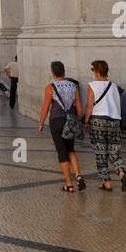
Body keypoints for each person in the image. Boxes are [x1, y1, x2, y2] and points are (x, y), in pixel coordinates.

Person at [38, 61, 85, 193]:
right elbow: (79, 106)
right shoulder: (73, 85)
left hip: (57, 121)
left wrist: (41, 123)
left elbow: (46, 107)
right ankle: (78, 175)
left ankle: (69, 184)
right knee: (71, 149)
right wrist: (79, 120)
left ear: (53, 73)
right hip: (71, 119)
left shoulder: (50, 87)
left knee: (61, 151)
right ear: (64, 71)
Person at [84, 59, 126, 191]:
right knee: (114, 151)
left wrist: (86, 121)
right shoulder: (114, 86)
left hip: (98, 121)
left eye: (93, 70)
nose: (93, 73)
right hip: (114, 121)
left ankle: (106, 183)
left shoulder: (92, 85)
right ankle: (121, 173)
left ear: (97, 71)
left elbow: (89, 105)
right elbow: (118, 105)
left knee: (101, 153)